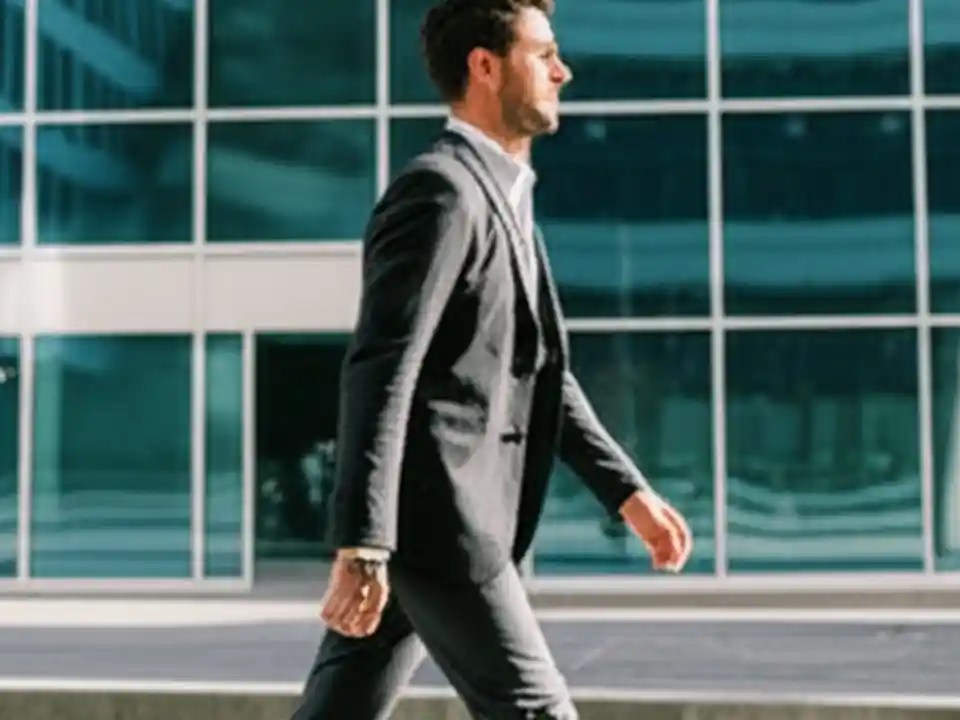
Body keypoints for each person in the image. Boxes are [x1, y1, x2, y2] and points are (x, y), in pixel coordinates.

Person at [291, 1, 694, 718]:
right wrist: (362, 539)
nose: (562, 71)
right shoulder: (441, 192)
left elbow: (540, 375)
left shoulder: (503, 201)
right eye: (543, 55)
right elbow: (384, 364)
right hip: (443, 524)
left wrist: (627, 494)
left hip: (432, 524)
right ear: (485, 66)